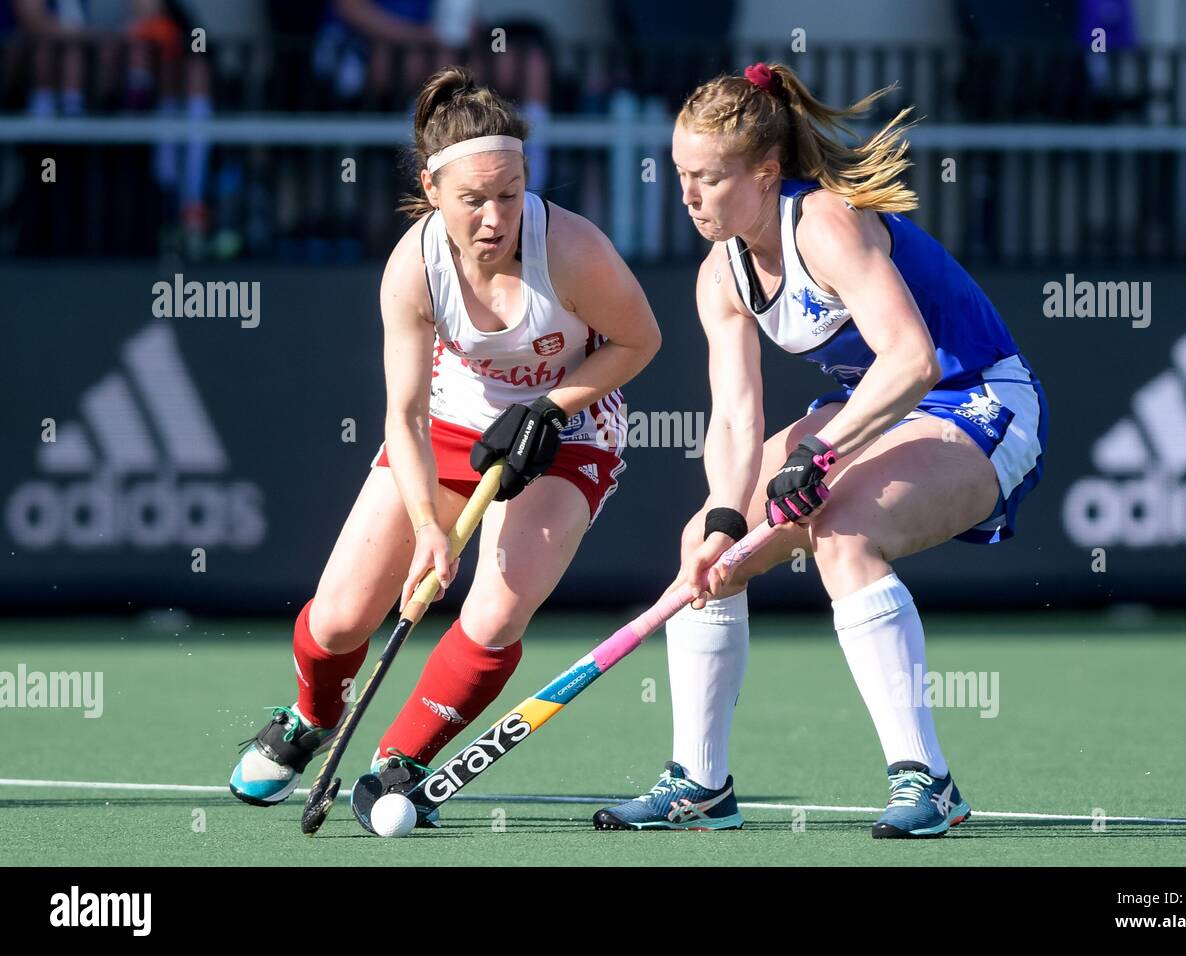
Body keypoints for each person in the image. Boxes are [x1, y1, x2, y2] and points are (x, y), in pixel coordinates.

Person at [595, 62, 1047, 838]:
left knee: (845, 533)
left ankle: (926, 781)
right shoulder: (722, 275)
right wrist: (727, 520)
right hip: (868, 411)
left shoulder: (828, 223)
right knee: (702, 548)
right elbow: (736, 420)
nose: (689, 196)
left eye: (708, 177)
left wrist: (824, 452)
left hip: (979, 400)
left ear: (767, 173)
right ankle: (699, 783)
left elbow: (913, 360)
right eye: (680, 176)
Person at [229, 66, 660, 826]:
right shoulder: (413, 268)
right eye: (472, 200)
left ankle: (400, 761)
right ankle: (310, 715)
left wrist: (549, 408)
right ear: (432, 191)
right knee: (336, 622)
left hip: (569, 432)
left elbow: (637, 341)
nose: (495, 218)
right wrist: (431, 528)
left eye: (509, 193)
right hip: (451, 423)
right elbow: (403, 415)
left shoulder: (573, 250)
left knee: (494, 615)